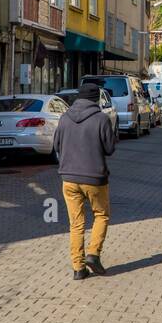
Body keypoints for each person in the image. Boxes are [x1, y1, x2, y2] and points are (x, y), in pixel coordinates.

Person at [53, 82, 117, 280]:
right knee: (101, 215)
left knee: (76, 223)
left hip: (69, 178)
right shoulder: (101, 119)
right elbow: (109, 149)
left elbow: (56, 145)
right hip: (94, 177)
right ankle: (93, 254)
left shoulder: (64, 118)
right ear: (96, 99)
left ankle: (78, 268)